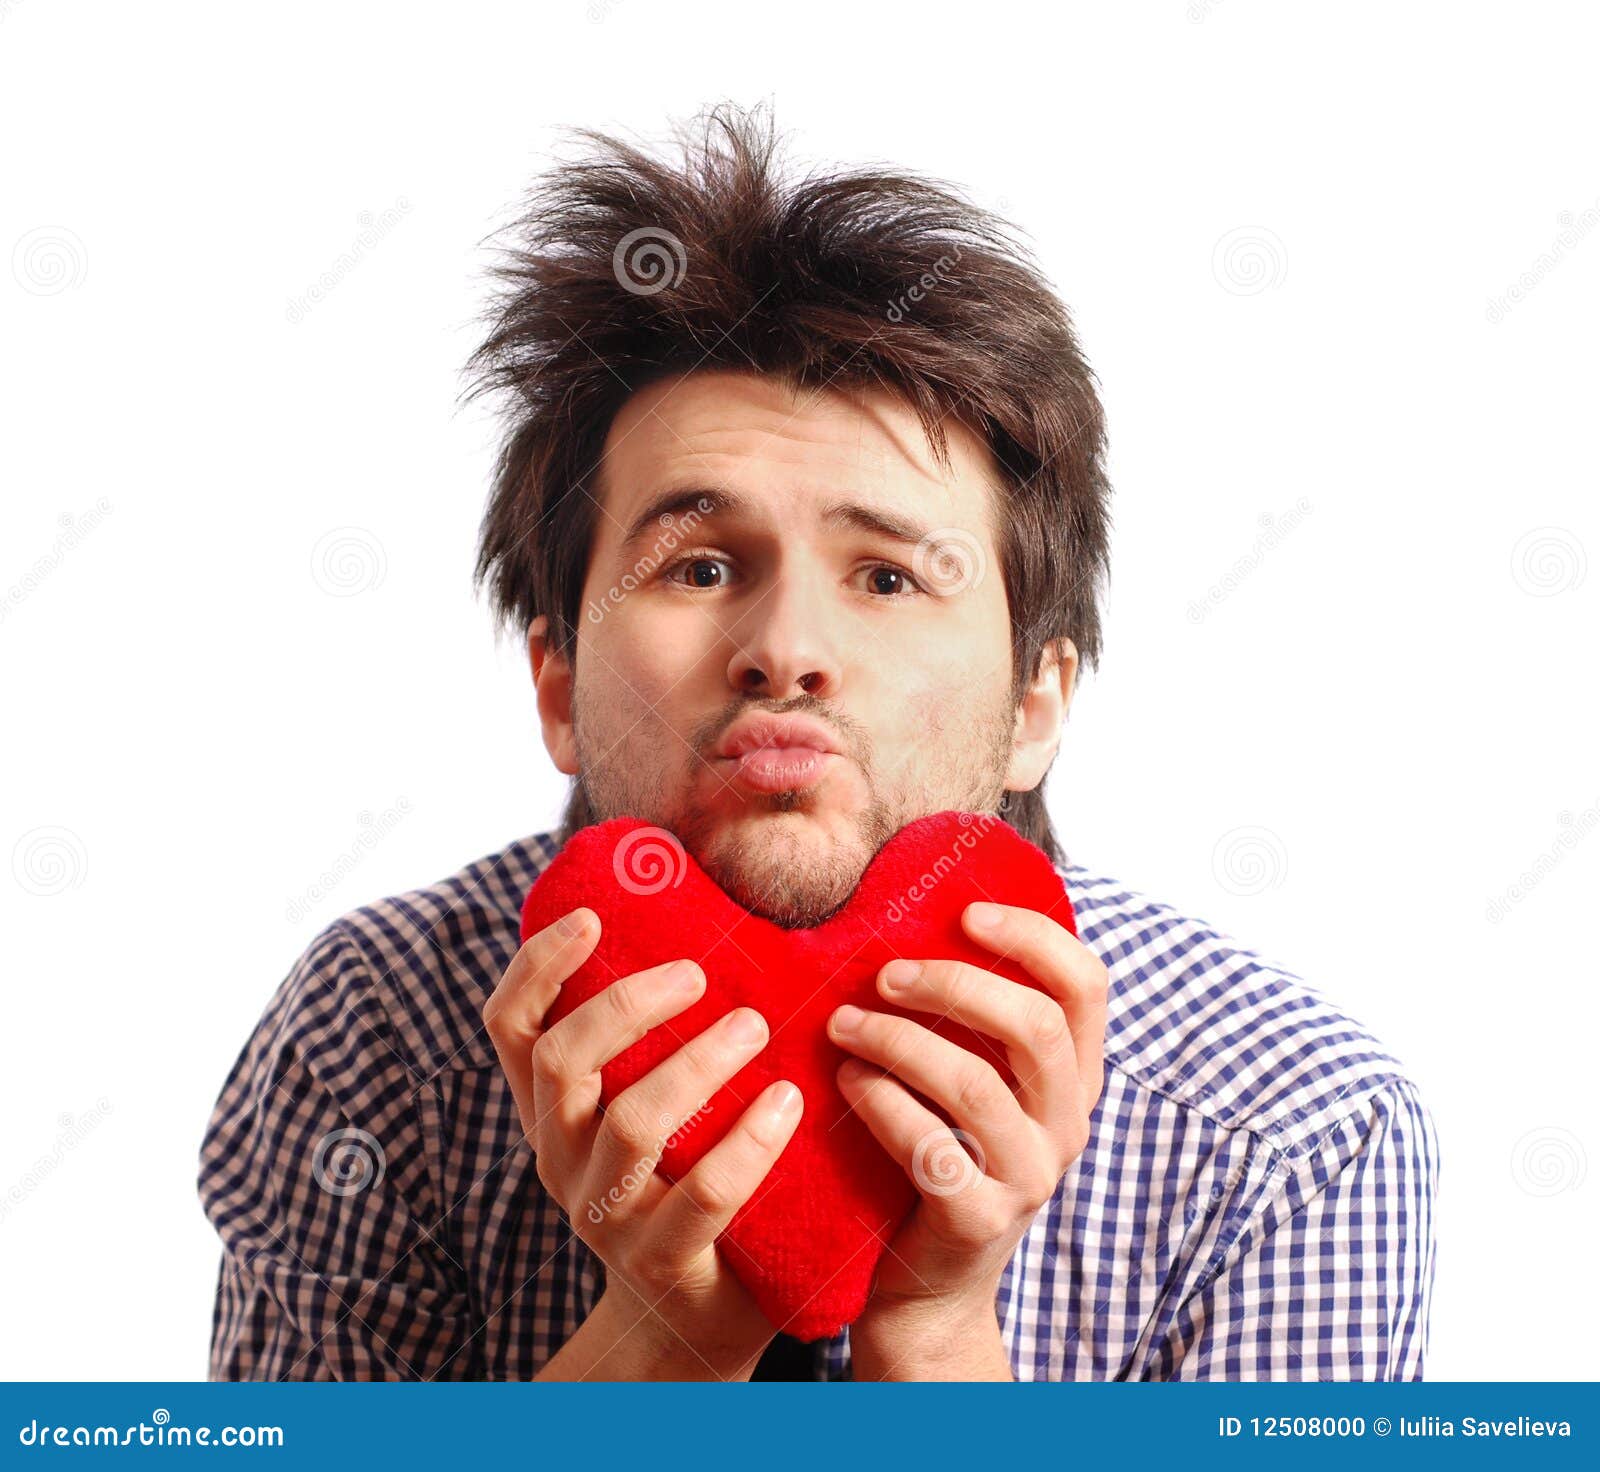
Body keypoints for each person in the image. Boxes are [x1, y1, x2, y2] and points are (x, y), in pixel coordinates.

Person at [197, 103, 1437, 1381]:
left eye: (890, 577)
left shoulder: (1288, 1128)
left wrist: (939, 1328)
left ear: (1036, 703)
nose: (786, 645)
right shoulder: (377, 1045)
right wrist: (663, 1337)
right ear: (557, 681)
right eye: (701, 563)